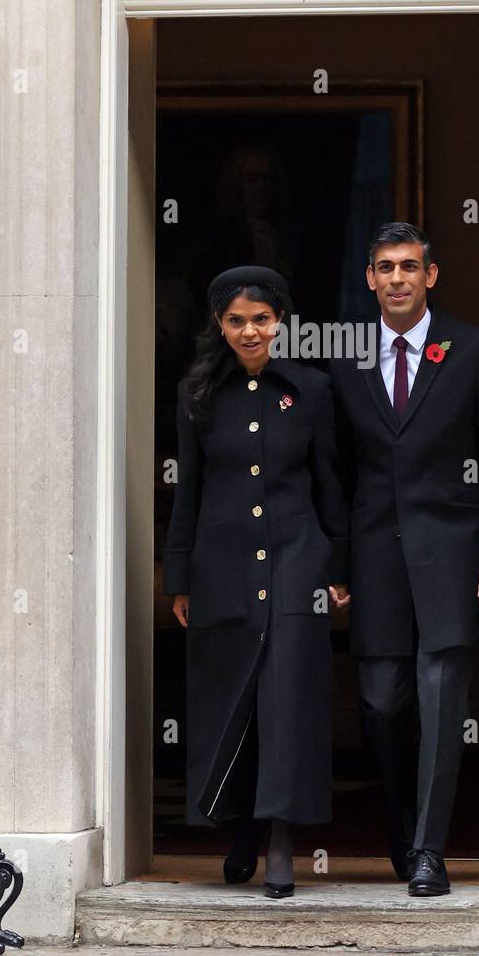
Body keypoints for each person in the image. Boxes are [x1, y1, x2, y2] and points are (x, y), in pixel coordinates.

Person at [329, 223, 479, 896]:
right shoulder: (348, 359)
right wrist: (335, 566)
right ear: (370, 279)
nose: (398, 278)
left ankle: (429, 852)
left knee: (442, 702)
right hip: (374, 559)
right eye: (386, 267)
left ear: (431, 276)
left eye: (410, 266)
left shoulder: (469, 349)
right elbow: (335, 473)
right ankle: (401, 830)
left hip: (455, 556)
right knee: (381, 705)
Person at [163, 266, 350, 898]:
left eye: (261, 320)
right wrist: (179, 577)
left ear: (280, 323)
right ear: (221, 323)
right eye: (238, 320)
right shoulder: (197, 392)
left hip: (297, 557)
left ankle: (281, 842)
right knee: (231, 698)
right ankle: (240, 826)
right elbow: (188, 491)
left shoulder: (313, 390)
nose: (250, 331)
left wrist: (340, 568)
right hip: (222, 563)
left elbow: (330, 483)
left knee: (287, 699)